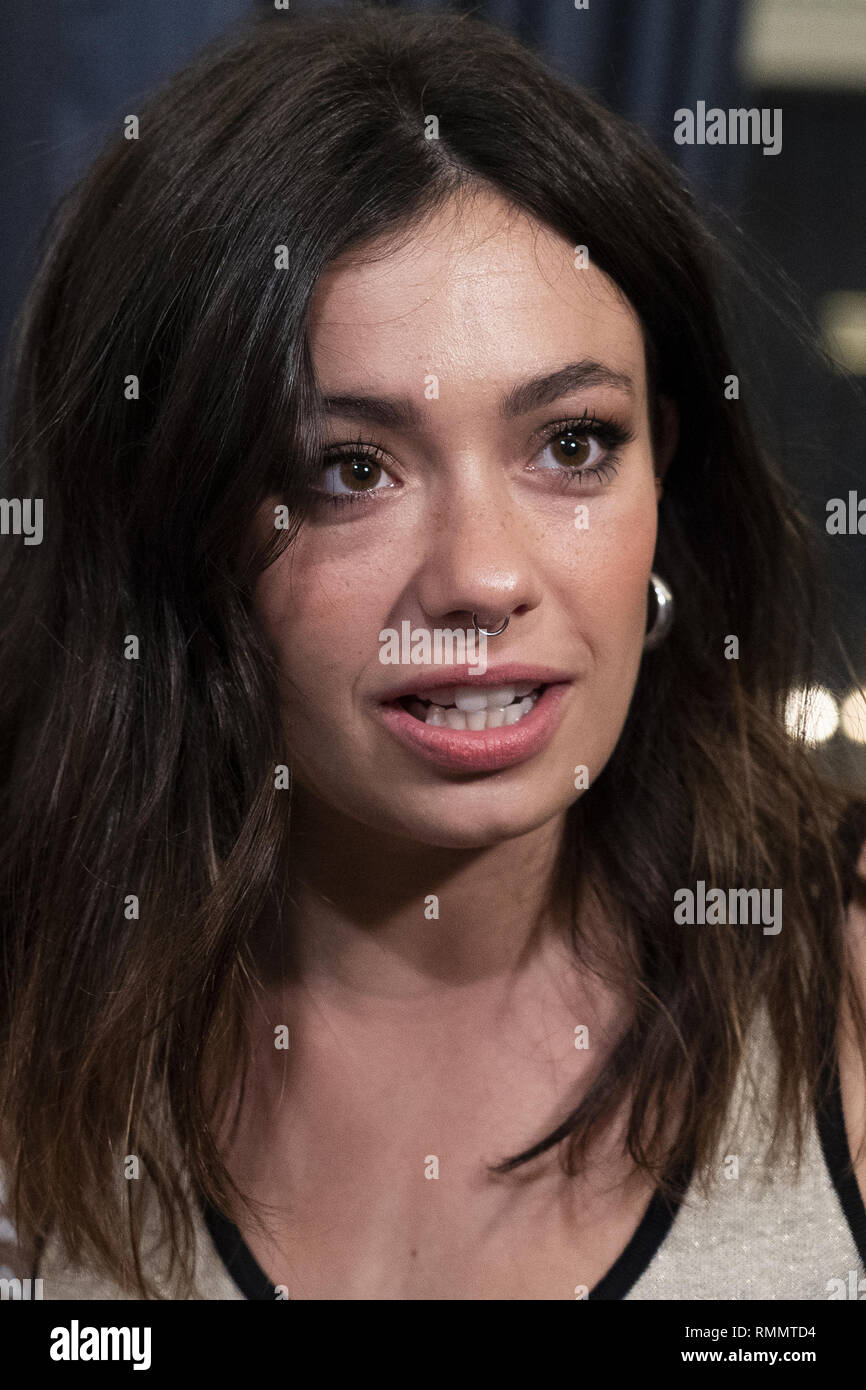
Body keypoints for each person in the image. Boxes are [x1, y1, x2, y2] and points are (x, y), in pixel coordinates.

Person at [1, 2, 865, 1301]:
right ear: (171, 514)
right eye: (348, 468)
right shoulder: (35, 1024)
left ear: (664, 476)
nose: (483, 576)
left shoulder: (841, 987)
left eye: (571, 443)